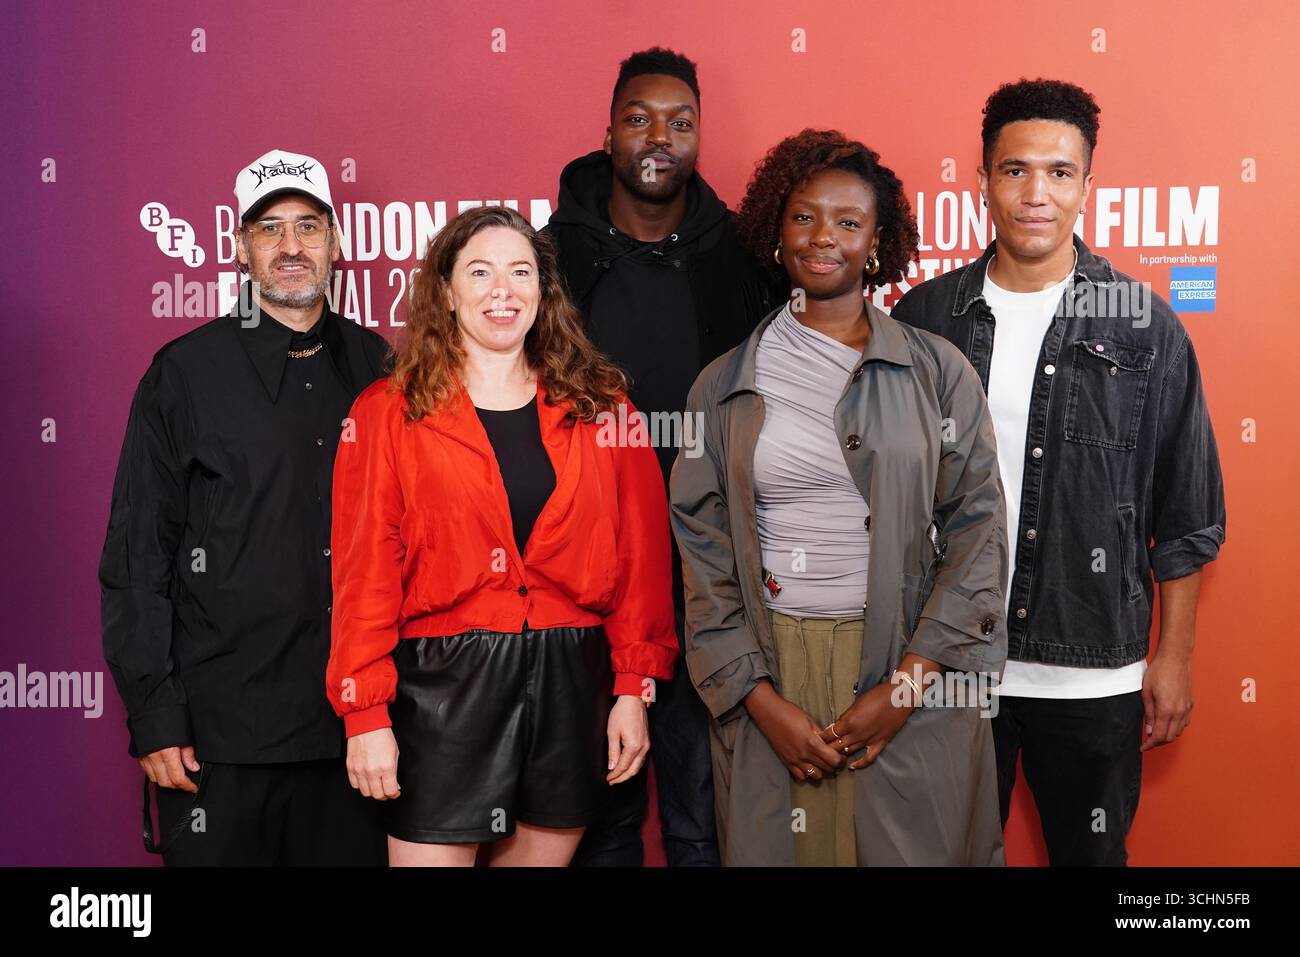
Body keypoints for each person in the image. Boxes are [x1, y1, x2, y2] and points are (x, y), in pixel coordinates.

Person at [891, 78, 1226, 865]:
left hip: (1092, 673)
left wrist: (1172, 658)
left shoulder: (1147, 326)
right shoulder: (924, 320)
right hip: (948, 666)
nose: (1035, 193)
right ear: (982, 182)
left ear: (1087, 185)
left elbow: (1186, 517)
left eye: (1059, 172)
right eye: (1014, 171)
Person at [670, 130, 1008, 866]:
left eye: (849, 222)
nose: (824, 237)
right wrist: (761, 702)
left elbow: (978, 534)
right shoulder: (721, 386)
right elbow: (705, 562)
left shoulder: (937, 372)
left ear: (878, 242)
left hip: (910, 664)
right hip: (773, 670)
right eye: (803, 217)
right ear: (774, 229)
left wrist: (907, 687)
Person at [327, 205, 678, 866]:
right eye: (480, 271)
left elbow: (641, 562)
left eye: (520, 272)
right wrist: (365, 713)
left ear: (543, 292)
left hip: (570, 679)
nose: (502, 289)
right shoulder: (386, 413)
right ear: (446, 291)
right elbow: (364, 573)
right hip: (440, 689)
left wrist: (634, 687)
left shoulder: (605, 410)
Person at [99, 149, 391, 865]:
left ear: (338, 241)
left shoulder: (381, 366)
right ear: (238, 247)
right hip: (216, 741)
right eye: (269, 229)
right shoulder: (184, 373)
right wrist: (156, 712)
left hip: (354, 738)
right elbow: (137, 556)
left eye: (308, 226)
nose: (292, 247)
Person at [544, 45, 771, 868]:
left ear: (699, 138)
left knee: (699, 814)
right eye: (638, 119)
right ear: (608, 133)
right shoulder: (545, 263)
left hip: (710, 580)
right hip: (580, 582)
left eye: (680, 122)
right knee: (595, 816)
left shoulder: (745, 263)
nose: (658, 137)